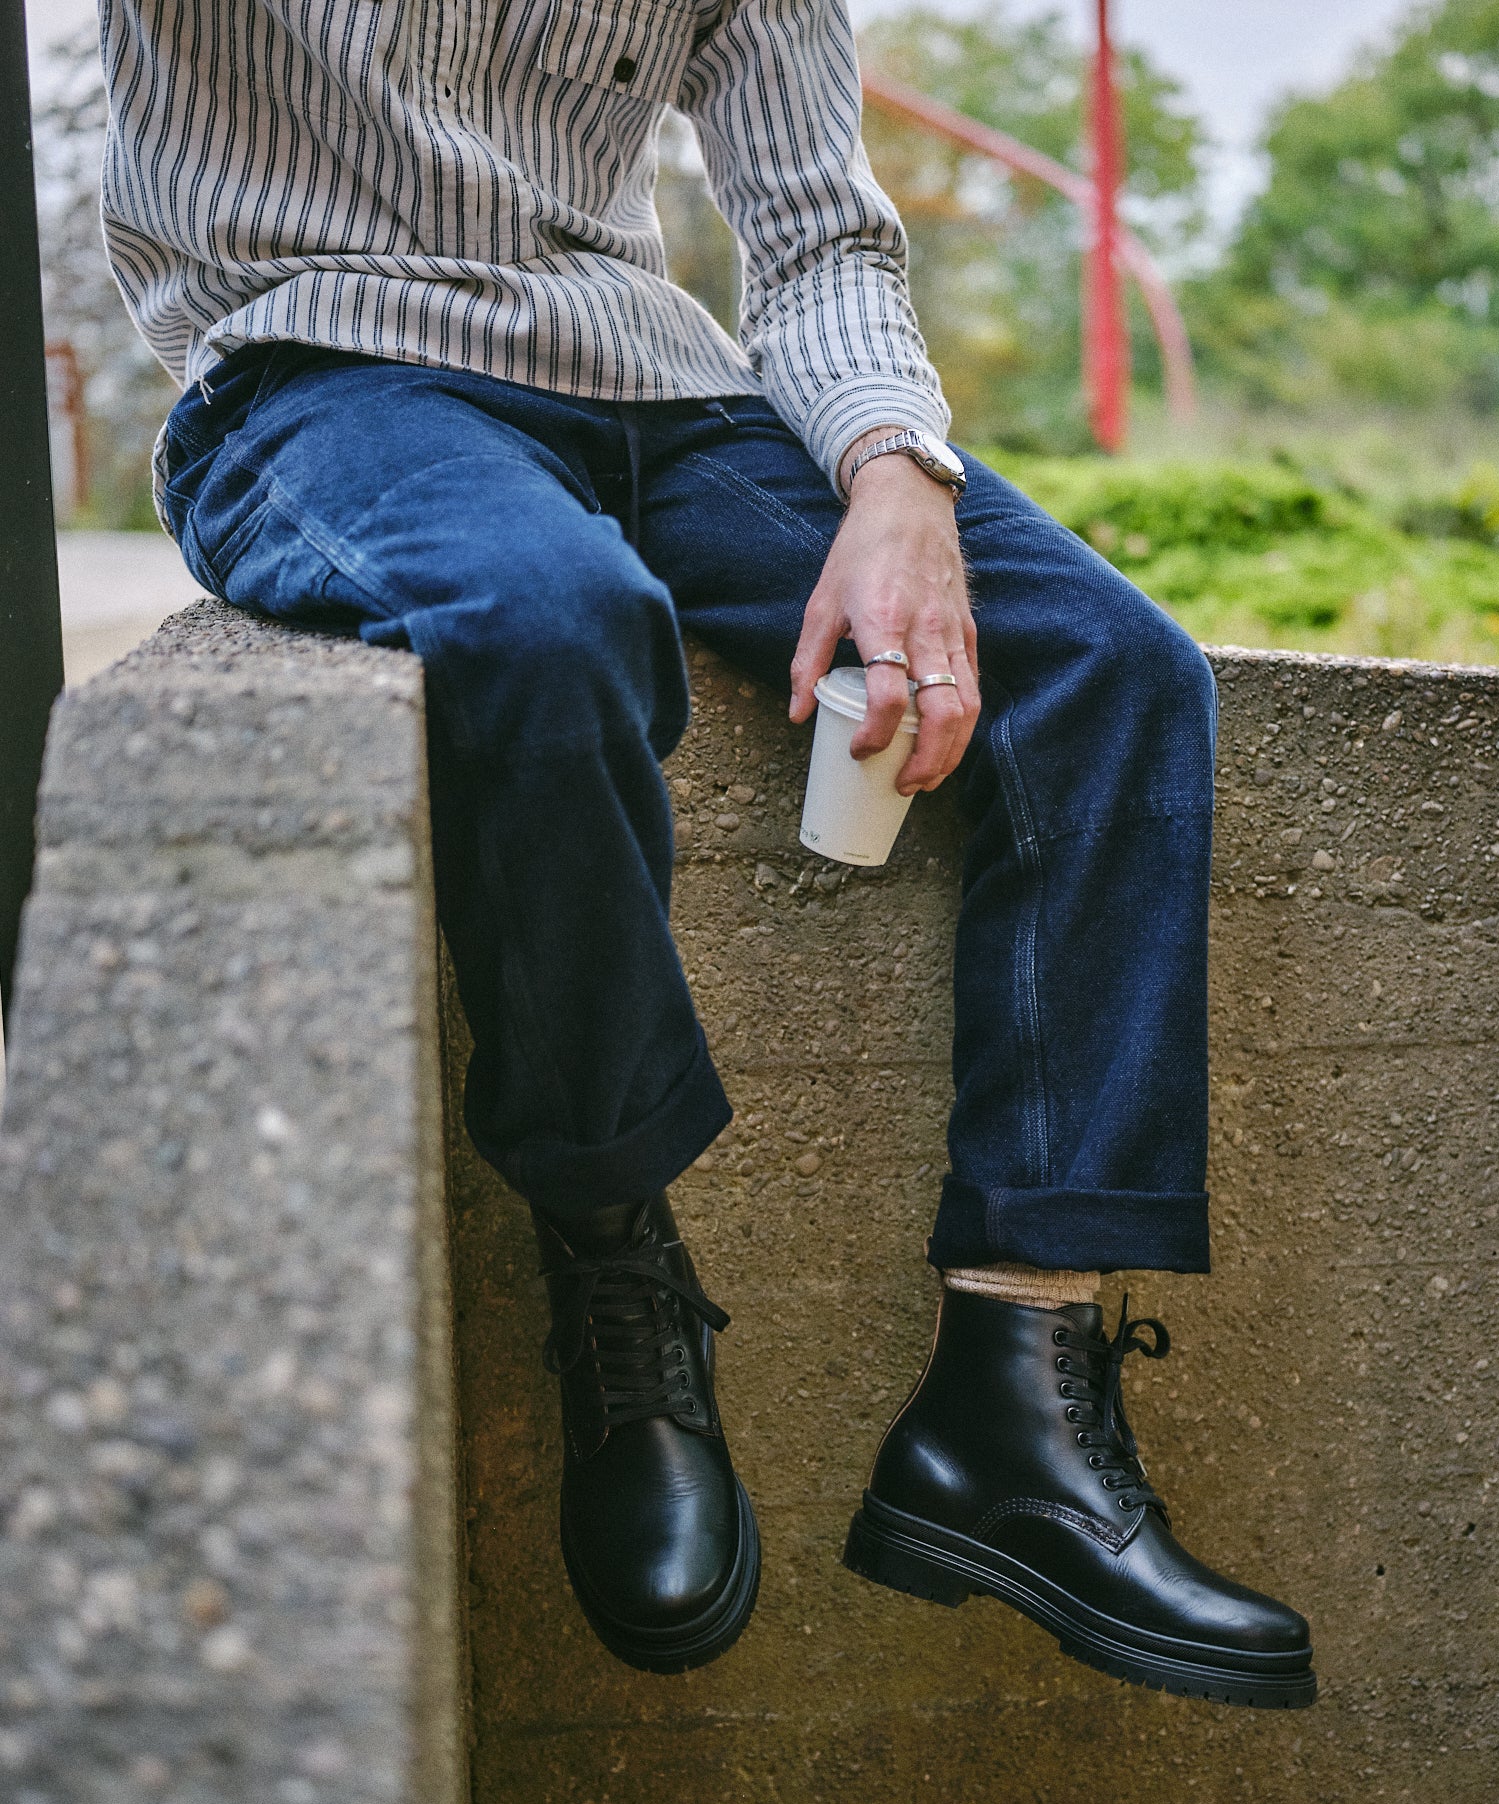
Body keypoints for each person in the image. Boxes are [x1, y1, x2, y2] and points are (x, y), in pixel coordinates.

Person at [101, 0, 1314, 1704]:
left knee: (1112, 673)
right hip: (328, 378)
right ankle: (614, 1257)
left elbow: (816, 229)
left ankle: (1014, 1401)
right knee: (545, 627)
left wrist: (897, 480)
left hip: (661, 385)